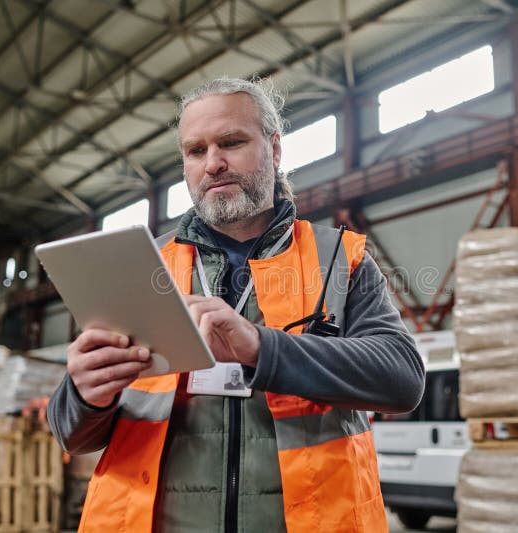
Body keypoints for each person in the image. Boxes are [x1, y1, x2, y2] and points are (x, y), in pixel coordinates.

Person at [47, 78, 424, 533]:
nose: (213, 164)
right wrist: (85, 394)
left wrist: (263, 349)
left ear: (275, 149)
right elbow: (73, 434)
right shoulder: (142, 268)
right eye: (195, 151)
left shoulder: (338, 259)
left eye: (231, 142)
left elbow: (402, 379)